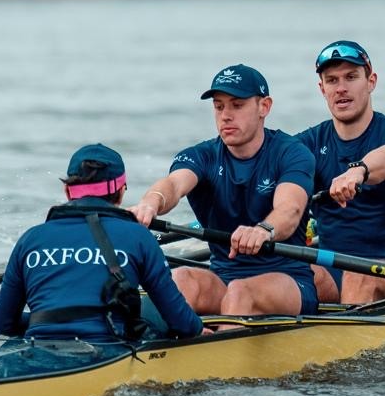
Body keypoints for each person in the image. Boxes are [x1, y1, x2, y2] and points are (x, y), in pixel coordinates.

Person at [131, 64, 318, 317]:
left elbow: (290, 209)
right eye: (219, 106)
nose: (225, 115)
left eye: (237, 105)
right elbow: (173, 184)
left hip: (289, 280)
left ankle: (214, 348)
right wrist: (150, 203)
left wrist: (264, 230)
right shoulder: (202, 156)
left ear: (264, 106)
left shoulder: (291, 153)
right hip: (224, 278)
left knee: (241, 292)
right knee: (179, 279)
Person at [0, 144, 203, 342]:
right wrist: (200, 330)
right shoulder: (138, 236)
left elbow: (2, 323)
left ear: (67, 191)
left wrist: (48, 321)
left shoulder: (30, 238)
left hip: (40, 345)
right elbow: (183, 323)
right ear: (120, 192)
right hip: (109, 350)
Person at [296, 40, 385, 303]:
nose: (341, 88)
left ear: (371, 81)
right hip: (332, 269)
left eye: (351, 77)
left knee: (358, 276)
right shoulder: (306, 144)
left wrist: (358, 171)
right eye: (332, 80)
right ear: (322, 88)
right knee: (286, 270)